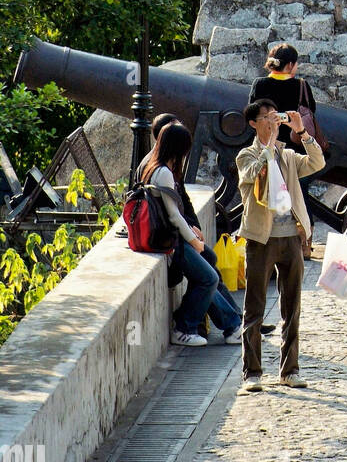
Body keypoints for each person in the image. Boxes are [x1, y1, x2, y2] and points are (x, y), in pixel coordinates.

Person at [236, 99, 325, 393]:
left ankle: (290, 369)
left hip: (290, 237)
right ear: (253, 123)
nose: (273, 121)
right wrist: (269, 144)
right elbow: (251, 174)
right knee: (255, 305)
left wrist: (303, 133)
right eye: (266, 117)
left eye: (276, 116)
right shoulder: (246, 155)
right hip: (260, 238)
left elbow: (317, 162)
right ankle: (252, 372)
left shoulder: (287, 156)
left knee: (293, 307)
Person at [137, 114, 252, 337]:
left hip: (171, 235)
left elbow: (179, 208)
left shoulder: (159, 167)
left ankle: (233, 322)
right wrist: (192, 239)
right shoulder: (162, 172)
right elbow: (173, 215)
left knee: (209, 263)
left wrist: (193, 231)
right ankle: (187, 325)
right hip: (170, 239)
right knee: (208, 278)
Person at [250, 44, 321, 258]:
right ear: (290, 65)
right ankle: (305, 243)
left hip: (268, 146)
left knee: (264, 192)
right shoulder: (301, 85)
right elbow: (312, 110)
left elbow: (252, 110)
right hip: (295, 148)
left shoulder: (259, 84)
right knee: (300, 196)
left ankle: (267, 238)